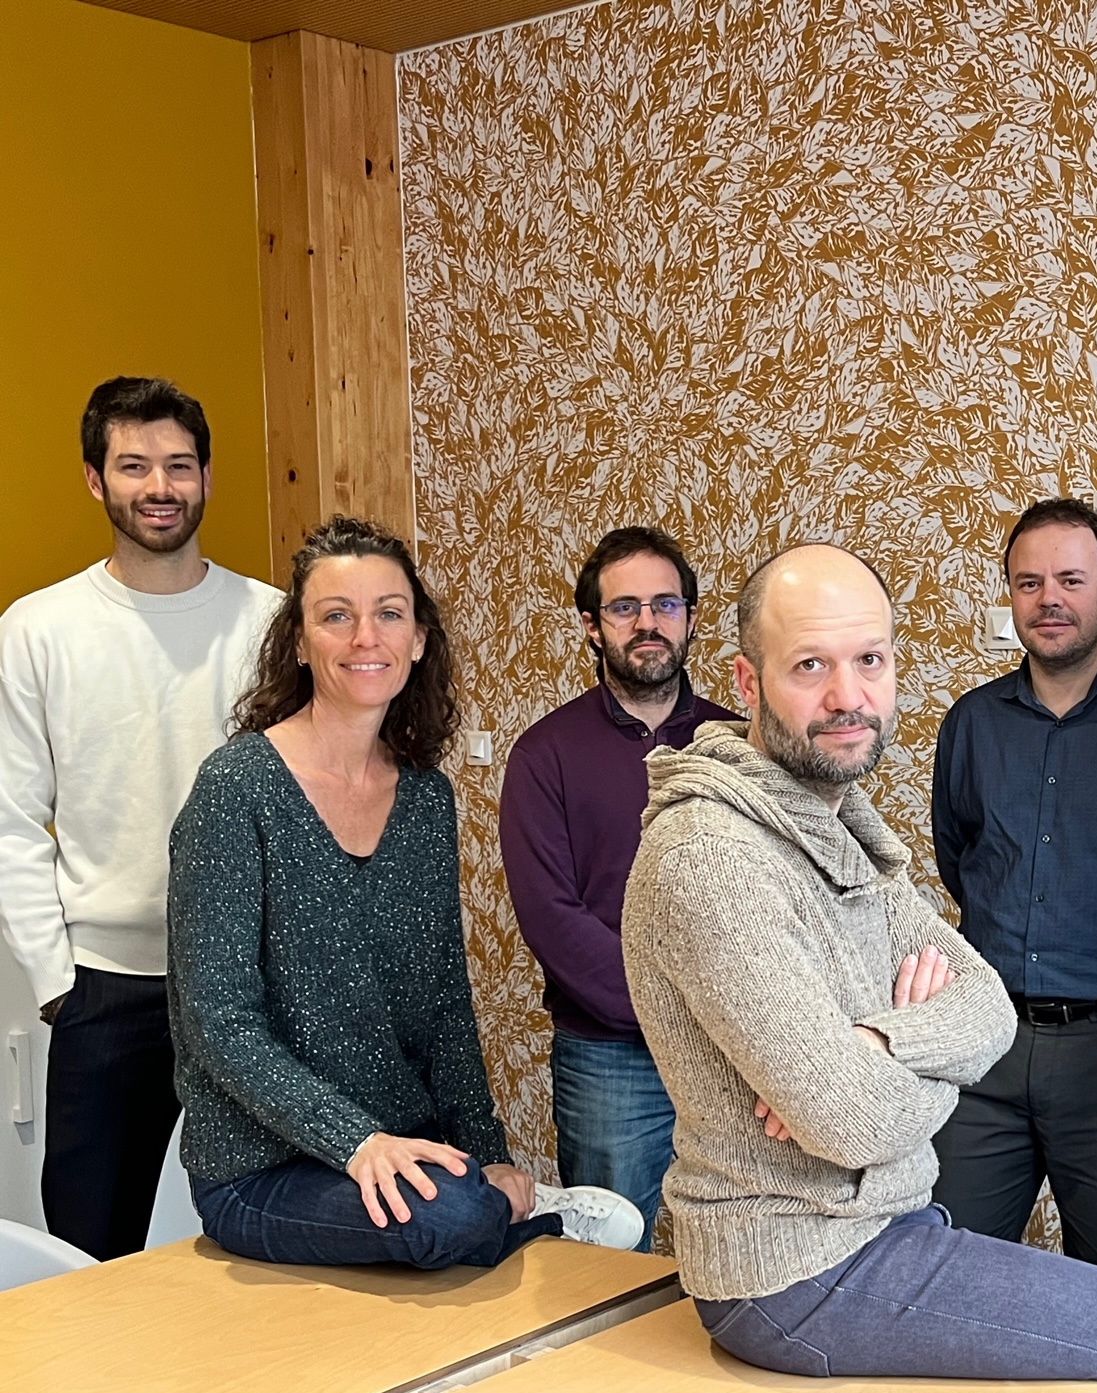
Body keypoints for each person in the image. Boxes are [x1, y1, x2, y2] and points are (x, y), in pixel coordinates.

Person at [622, 543, 1097, 1393]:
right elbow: (853, 1124)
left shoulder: (834, 818)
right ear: (746, 681)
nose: (848, 694)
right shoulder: (711, 857)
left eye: (871, 660)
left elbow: (983, 1005)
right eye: (810, 665)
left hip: (878, 1229)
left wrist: (875, 1045)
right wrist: (879, 1063)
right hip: (799, 1270)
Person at [167, 516, 644, 1269]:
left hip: (403, 1151)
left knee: (456, 1196)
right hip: (263, 1172)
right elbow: (217, 1023)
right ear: (298, 641)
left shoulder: (425, 797)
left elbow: (442, 1004)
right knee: (445, 1218)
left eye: (389, 613)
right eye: (336, 616)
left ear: (418, 639)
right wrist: (352, 1141)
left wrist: (487, 1153)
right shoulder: (237, 790)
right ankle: (522, 1222)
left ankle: (498, 1200)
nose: (366, 638)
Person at [0, 378, 282, 1260]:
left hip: (248, 981)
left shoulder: (269, 619)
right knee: (94, 1242)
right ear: (95, 480)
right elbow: (10, 817)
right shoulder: (39, 629)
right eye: (134, 466)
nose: (160, 486)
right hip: (103, 986)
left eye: (179, 465)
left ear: (205, 477)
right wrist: (55, 981)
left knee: (257, 1237)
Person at [930, 498, 1097, 1280]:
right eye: (1028, 582)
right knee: (949, 1273)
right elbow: (961, 862)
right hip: (986, 1047)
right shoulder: (972, 724)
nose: (1049, 599)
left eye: (1071, 580)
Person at [500, 527, 733, 1247]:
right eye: (624, 607)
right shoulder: (546, 753)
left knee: (738, 1246)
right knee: (605, 1254)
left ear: (691, 618)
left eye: (665, 604)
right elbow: (551, 915)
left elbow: (771, 896)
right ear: (592, 628)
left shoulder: (741, 745)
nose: (647, 622)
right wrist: (662, 1005)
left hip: (730, 1049)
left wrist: (722, 1012)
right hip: (609, 1057)